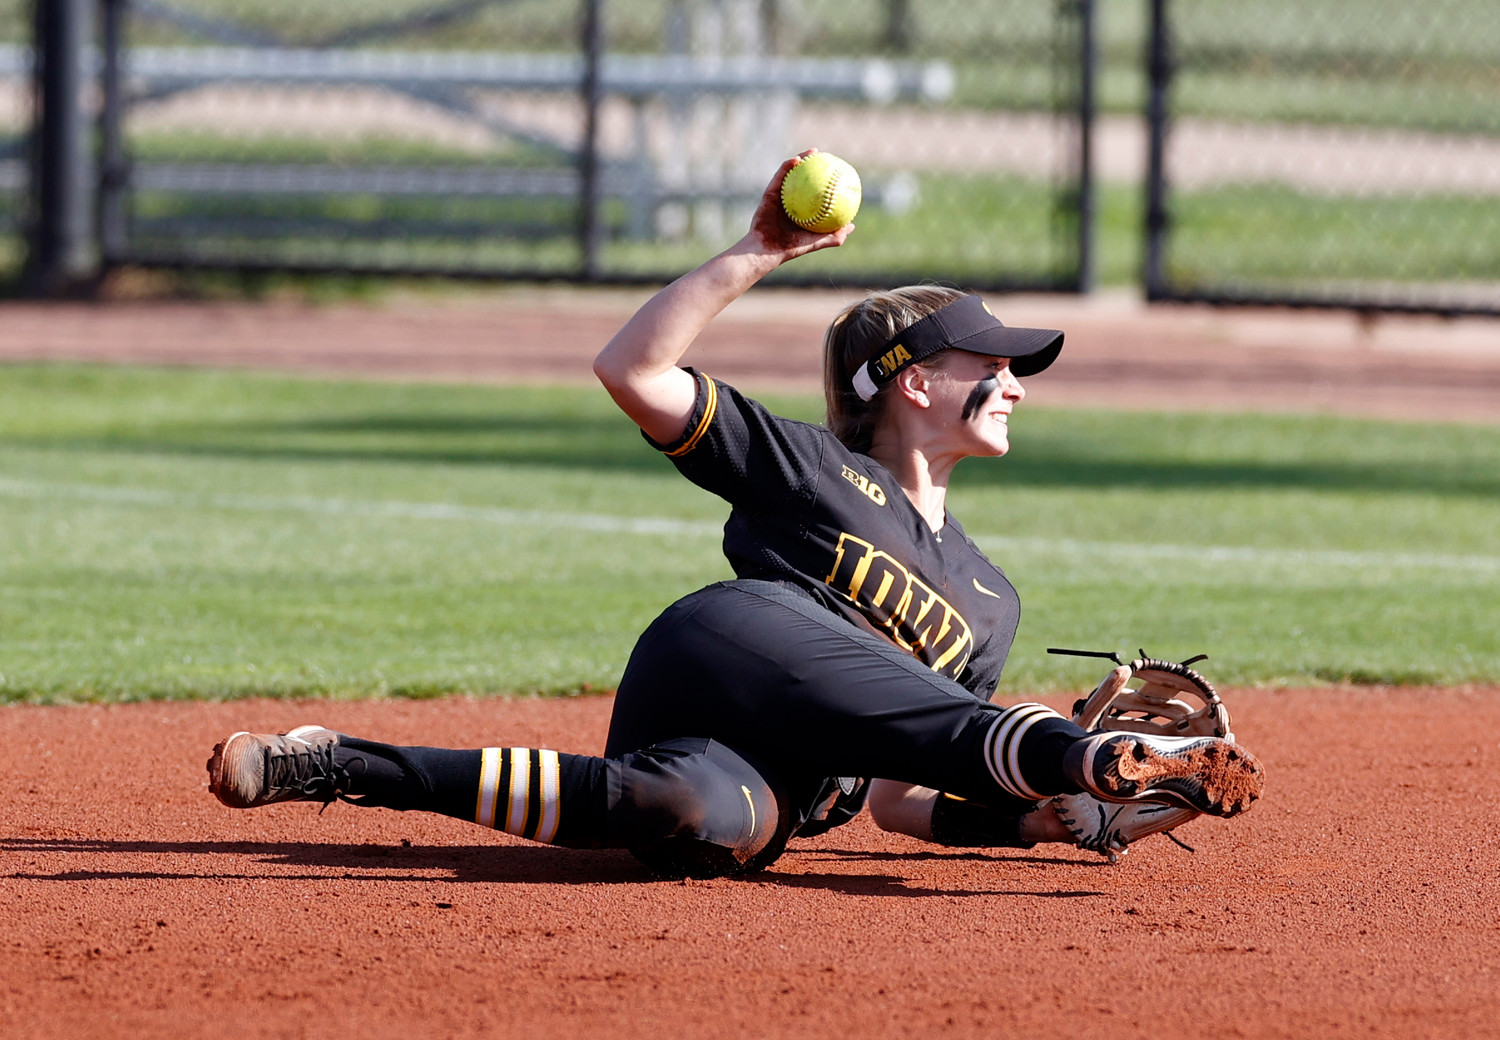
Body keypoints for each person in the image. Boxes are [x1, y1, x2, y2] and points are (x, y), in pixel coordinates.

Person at [206, 152, 1263, 877]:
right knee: (960, 726)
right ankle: (1081, 752)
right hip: (723, 654)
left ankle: (336, 761)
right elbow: (633, 369)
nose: (1014, 384)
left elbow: (898, 796)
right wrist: (759, 251)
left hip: (773, 772)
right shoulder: (810, 466)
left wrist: (1033, 826)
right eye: (987, 362)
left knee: (685, 823)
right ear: (909, 380)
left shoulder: (991, 599)